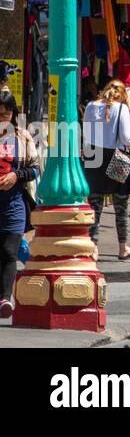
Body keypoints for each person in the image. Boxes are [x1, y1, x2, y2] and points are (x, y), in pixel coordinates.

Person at [82, 79, 130, 259]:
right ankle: (123, 248)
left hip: (94, 158)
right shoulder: (121, 109)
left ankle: (94, 248)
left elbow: (86, 133)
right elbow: (126, 138)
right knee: (121, 206)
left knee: (95, 206)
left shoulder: (90, 105)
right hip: (116, 158)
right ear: (121, 94)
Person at [0, 90, 37, 317]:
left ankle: (5, 298)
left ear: (13, 113)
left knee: (9, 251)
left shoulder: (22, 137)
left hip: (14, 203)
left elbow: (34, 168)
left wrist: (16, 176)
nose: (2, 119)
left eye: (5, 114)